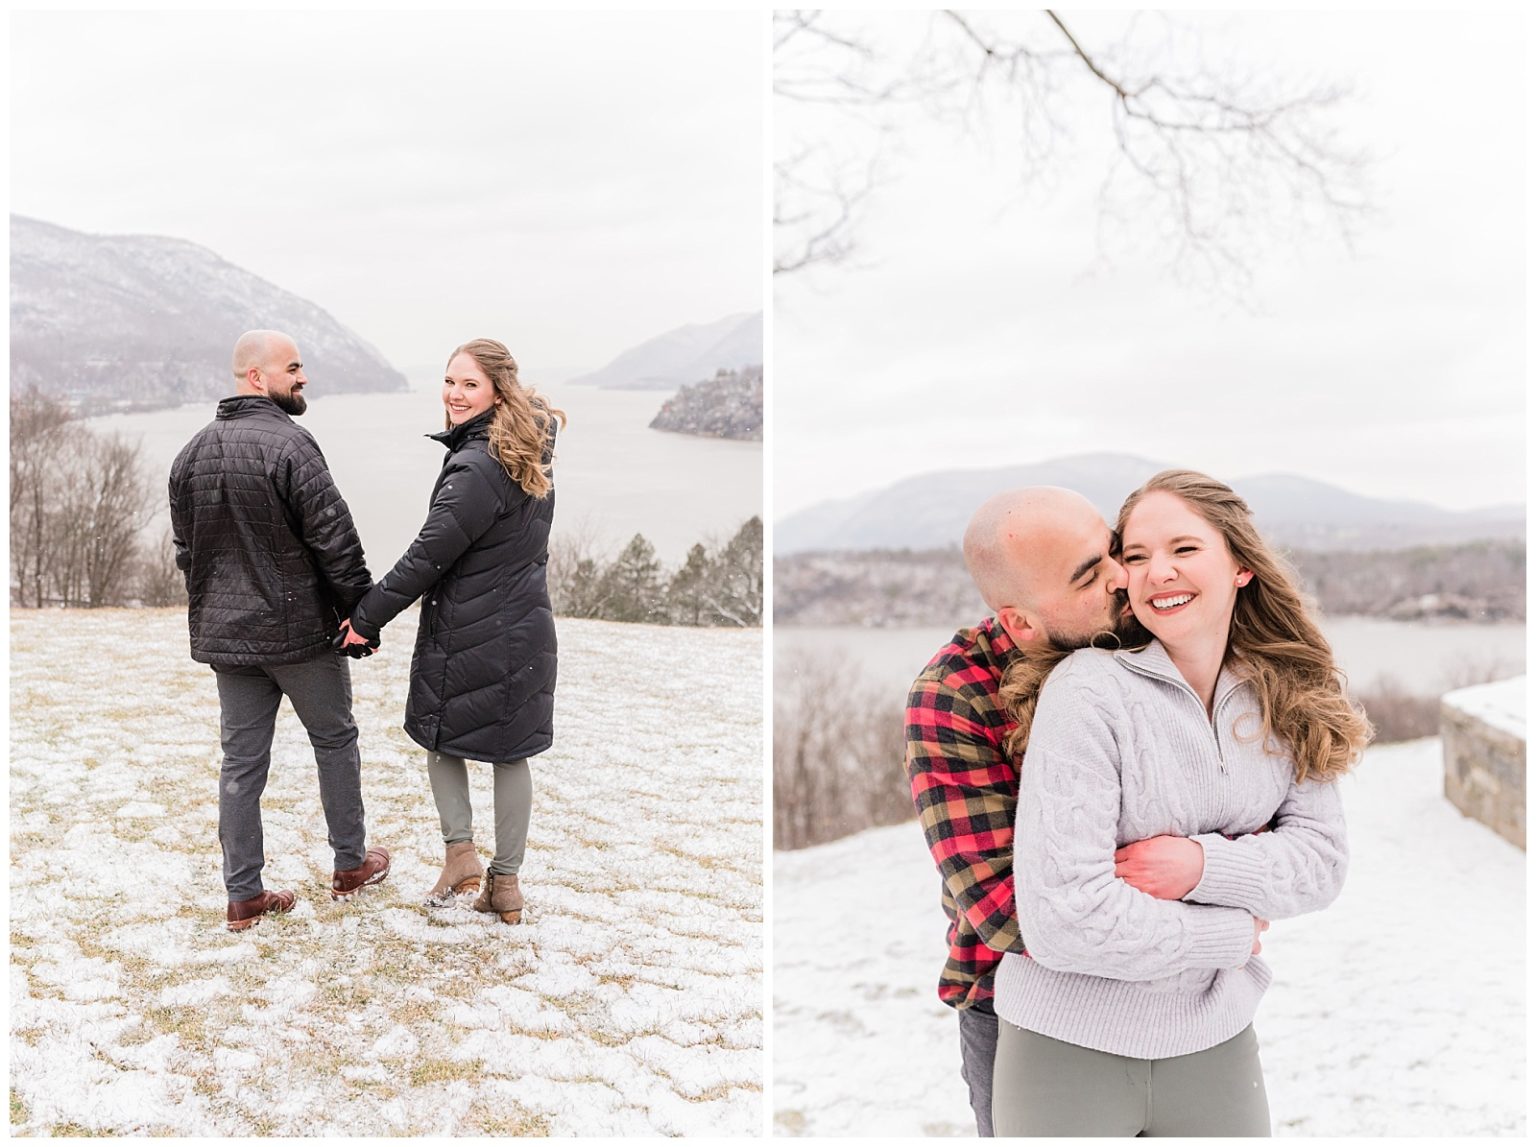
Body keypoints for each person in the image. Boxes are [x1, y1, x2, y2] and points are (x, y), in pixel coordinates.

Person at [990, 470, 1371, 1137]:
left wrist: (1198, 865)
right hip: (1067, 1049)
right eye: (1135, 557)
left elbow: (1321, 862)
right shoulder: (1087, 692)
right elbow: (1063, 918)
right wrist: (1225, 932)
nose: (1157, 571)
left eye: (1183, 549)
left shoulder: (1288, 693)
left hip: (1215, 1041)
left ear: (1242, 565)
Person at [905, 486, 1144, 1136]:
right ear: (1021, 624)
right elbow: (1008, 909)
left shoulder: (1147, 639)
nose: (1124, 577)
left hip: (1179, 1005)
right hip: (1017, 1011)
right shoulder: (954, 696)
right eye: (1091, 575)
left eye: (1114, 552)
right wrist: (1197, 923)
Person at [169, 329, 392, 933]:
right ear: (256, 378)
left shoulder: (189, 454)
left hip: (229, 642)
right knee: (335, 740)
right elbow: (335, 541)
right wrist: (360, 615)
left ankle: (243, 895)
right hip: (299, 636)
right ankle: (350, 864)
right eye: (293, 368)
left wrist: (216, 605)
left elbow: (188, 552)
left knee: (240, 765)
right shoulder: (292, 446)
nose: (303, 378)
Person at [339, 338, 563, 925]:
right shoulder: (526, 449)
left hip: (472, 627)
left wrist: (365, 619)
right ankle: (503, 883)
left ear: (497, 390)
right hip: (527, 627)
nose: (455, 395)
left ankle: (463, 856)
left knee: (441, 736)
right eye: (449, 382)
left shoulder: (479, 464)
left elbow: (426, 557)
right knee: (511, 753)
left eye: (469, 384)